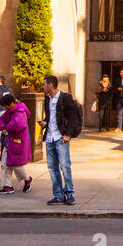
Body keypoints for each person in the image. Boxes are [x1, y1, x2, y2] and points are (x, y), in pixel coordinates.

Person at [39, 75, 81, 205]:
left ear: (50, 85)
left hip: (61, 137)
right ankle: (58, 195)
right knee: (52, 167)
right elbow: (50, 116)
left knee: (65, 166)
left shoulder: (65, 98)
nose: (43, 86)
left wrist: (68, 134)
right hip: (50, 137)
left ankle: (70, 193)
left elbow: (73, 117)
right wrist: (45, 122)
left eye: (44, 84)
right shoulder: (47, 99)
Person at [0, 93, 35, 194]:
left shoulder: (20, 112)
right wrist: (5, 127)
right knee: (5, 164)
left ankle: (27, 179)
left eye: (6, 106)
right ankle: (7, 185)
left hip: (16, 142)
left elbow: (17, 125)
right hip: (9, 141)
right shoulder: (10, 111)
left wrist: (6, 128)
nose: (6, 108)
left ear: (12, 103)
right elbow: (1, 121)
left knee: (16, 164)